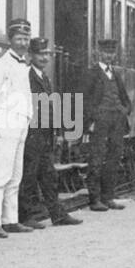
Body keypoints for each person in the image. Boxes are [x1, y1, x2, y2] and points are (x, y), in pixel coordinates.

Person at [18, 37, 83, 227]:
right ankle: (26, 217)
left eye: (47, 54)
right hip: (32, 133)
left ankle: (58, 215)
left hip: (44, 134)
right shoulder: (27, 76)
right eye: (40, 54)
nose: (44, 58)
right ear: (30, 56)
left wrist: (56, 130)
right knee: (29, 176)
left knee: (49, 176)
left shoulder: (43, 77)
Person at [0, 17, 35, 237]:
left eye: (26, 38)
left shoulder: (23, 65)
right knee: (0, 175)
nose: (23, 42)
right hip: (5, 125)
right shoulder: (0, 65)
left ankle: (10, 220)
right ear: (10, 40)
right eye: (19, 38)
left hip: (20, 124)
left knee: (15, 176)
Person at [82, 38, 131, 212]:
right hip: (100, 121)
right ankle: (94, 200)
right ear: (98, 53)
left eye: (112, 53)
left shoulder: (116, 74)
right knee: (96, 158)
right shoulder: (92, 73)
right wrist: (93, 119)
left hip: (117, 121)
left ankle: (108, 197)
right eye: (106, 52)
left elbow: (124, 97)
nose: (109, 56)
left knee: (114, 158)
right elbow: (86, 100)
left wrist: (125, 110)